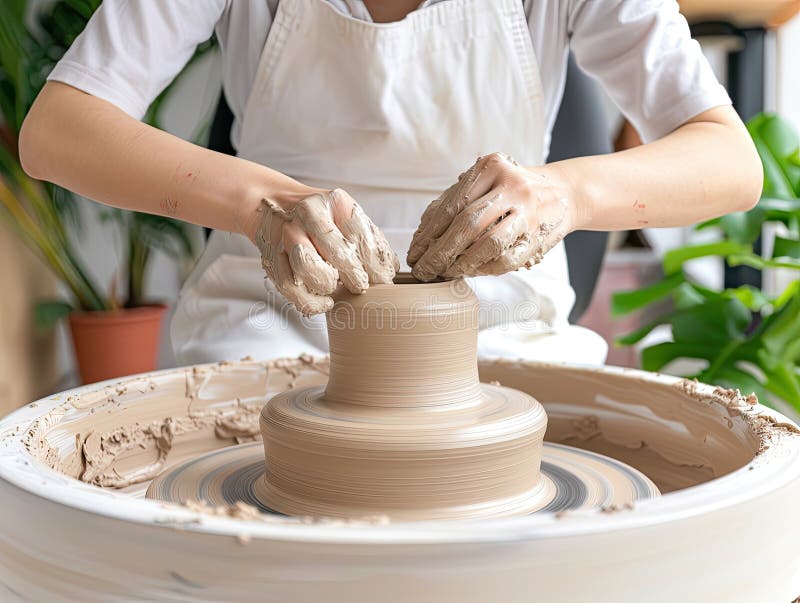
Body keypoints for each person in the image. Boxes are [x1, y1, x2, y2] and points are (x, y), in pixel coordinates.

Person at [19, 0, 762, 366]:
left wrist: (563, 194)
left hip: (503, 326)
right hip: (266, 313)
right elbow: (56, 130)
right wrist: (262, 204)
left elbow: (731, 161)